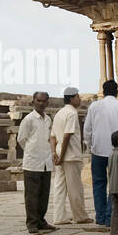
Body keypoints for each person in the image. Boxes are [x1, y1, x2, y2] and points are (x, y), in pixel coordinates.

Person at [82, 79, 118, 228]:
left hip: (98, 150)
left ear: (103, 92)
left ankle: (100, 216)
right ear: (117, 92)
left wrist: (90, 145)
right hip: (117, 151)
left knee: (98, 183)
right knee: (115, 185)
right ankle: (110, 217)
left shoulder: (94, 106)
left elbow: (87, 129)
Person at [48, 87, 92, 225]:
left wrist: (54, 152)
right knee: (75, 187)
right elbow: (67, 135)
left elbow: (53, 136)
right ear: (72, 98)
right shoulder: (72, 114)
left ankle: (59, 217)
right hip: (70, 155)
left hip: (60, 154)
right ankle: (80, 216)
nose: (79, 99)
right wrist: (61, 156)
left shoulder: (59, 113)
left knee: (59, 186)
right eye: (78, 96)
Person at [16, 91, 57, 235]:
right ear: (33, 101)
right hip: (32, 162)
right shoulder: (28, 119)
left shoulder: (48, 120)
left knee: (43, 194)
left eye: (44, 101)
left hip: (46, 162)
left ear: (47, 102)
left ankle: (41, 220)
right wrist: (31, 151)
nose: (41, 103)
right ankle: (32, 223)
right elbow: (21, 139)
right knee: (31, 195)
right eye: (38, 100)